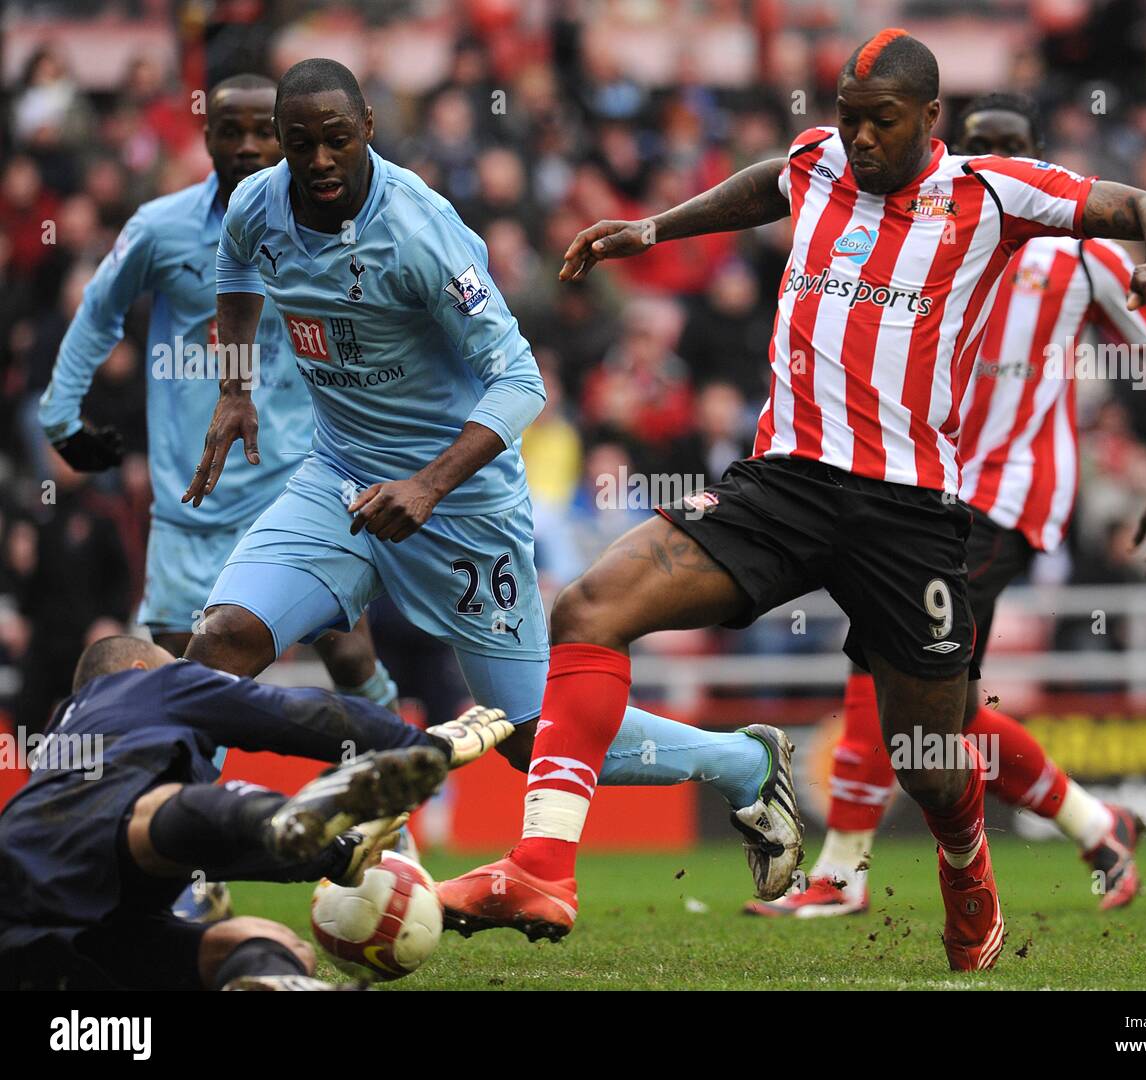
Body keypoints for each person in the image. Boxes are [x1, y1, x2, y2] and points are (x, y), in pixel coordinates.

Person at [439, 29, 1146, 970]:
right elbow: (771, 180)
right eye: (847, 119)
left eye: (881, 122)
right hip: (784, 485)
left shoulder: (993, 193)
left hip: (910, 513)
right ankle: (542, 864)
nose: (859, 140)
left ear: (929, 119)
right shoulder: (822, 161)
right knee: (590, 607)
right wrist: (657, 228)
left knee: (928, 755)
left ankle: (968, 873)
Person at [181, 59, 805, 921]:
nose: (318, 160)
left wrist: (430, 485)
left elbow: (519, 380)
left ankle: (742, 763)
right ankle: (180, 869)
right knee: (220, 643)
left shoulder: (421, 230)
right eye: (300, 145)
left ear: (368, 123)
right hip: (337, 478)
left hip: (461, 502)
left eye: (335, 138)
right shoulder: (260, 201)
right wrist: (236, 386)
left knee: (527, 737)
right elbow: (236, 267)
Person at [747, 92, 1146, 919]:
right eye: (977, 144)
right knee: (938, 704)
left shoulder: (1078, 252)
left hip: (1008, 492)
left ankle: (842, 873)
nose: (987, 157)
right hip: (929, 484)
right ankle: (1099, 823)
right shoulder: (923, 226)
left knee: (890, 666)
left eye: (1008, 145)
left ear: (1034, 155)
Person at [37, 73, 402, 923]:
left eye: (258, 133)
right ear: (207, 138)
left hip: (299, 494)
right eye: (228, 130)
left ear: (282, 138)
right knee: (179, 683)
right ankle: (193, 860)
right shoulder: (162, 229)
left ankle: (395, 804)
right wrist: (62, 417)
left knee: (348, 656)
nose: (244, 146)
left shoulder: (331, 222)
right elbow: (96, 314)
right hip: (191, 509)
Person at [0, 635, 511, 990]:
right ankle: (278, 817)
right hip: (87, 864)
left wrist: (336, 856)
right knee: (149, 808)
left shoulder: (59, 751)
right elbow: (289, 715)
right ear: (139, 669)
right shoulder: (148, 686)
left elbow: (205, 846)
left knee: (265, 943)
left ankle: (274, 980)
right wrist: (418, 744)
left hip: (59, 941)